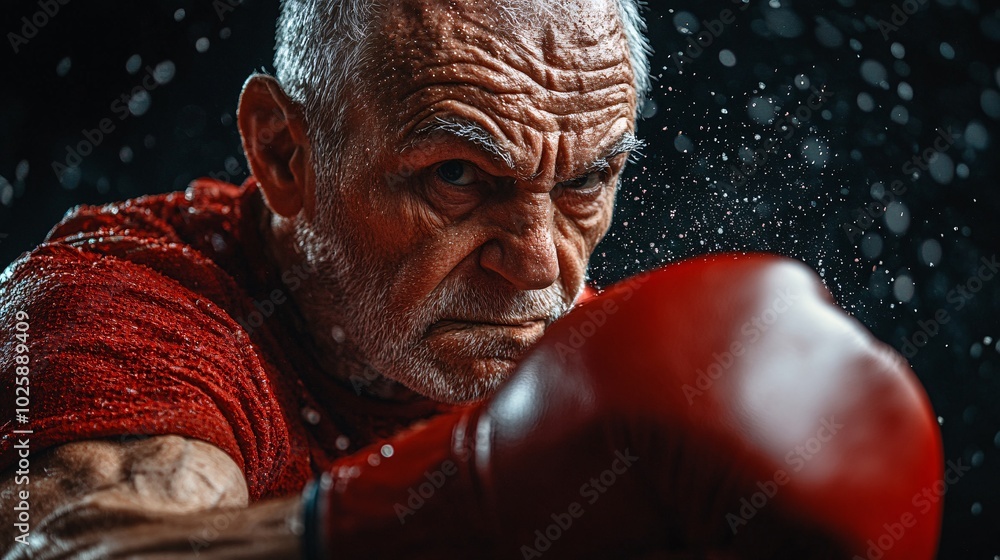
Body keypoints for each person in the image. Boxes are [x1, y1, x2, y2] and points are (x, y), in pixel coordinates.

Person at [0, 0, 942, 558]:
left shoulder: (613, 376)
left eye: (586, 181)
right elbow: (82, 540)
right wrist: (433, 520)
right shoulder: (123, 312)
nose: (539, 263)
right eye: (457, 177)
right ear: (286, 152)